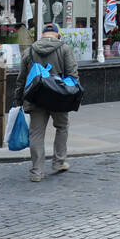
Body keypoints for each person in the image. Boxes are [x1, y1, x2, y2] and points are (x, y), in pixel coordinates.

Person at [17, 22, 78, 182]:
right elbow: (73, 75)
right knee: (62, 127)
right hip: (59, 97)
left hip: (36, 97)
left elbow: (21, 79)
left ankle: (36, 171)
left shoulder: (29, 51)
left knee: (36, 134)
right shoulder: (64, 49)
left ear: (42, 35)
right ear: (57, 35)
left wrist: (19, 100)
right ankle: (58, 162)